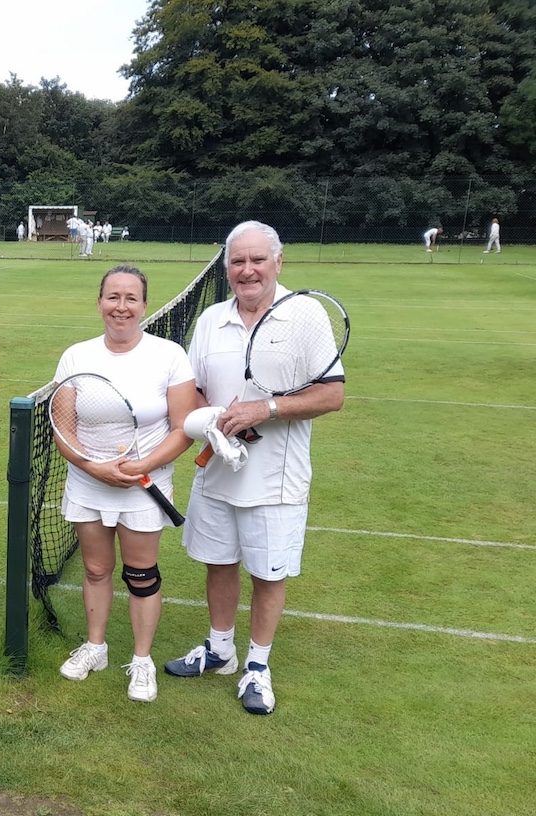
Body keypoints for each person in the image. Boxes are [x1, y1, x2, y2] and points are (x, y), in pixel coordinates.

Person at [164, 221, 345, 715]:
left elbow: (332, 394)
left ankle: (257, 667)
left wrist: (264, 410)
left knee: (268, 572)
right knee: (217, 561)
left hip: (276, 478)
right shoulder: (210, 321)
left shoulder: (305, 315)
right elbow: (195, 388)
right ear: (226, 270)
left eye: (257, 260)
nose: (247, 271)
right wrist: (214, 424)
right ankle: (220, 649)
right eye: (237, 262)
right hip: (218, 473)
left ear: (278, 263)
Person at [53, 265, 197, 703]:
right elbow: (64, 430)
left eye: (130, 298)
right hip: (88, 481)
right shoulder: (76, 356)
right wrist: (93, 467)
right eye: (113, 297)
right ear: (99, 303)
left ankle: (141, 661)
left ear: (144, 305)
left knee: (141, 574)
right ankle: (95, 648)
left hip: (145, 483)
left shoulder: (169, 355)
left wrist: (142, 465)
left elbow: (183, 428)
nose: (121, 306)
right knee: (96, 569)